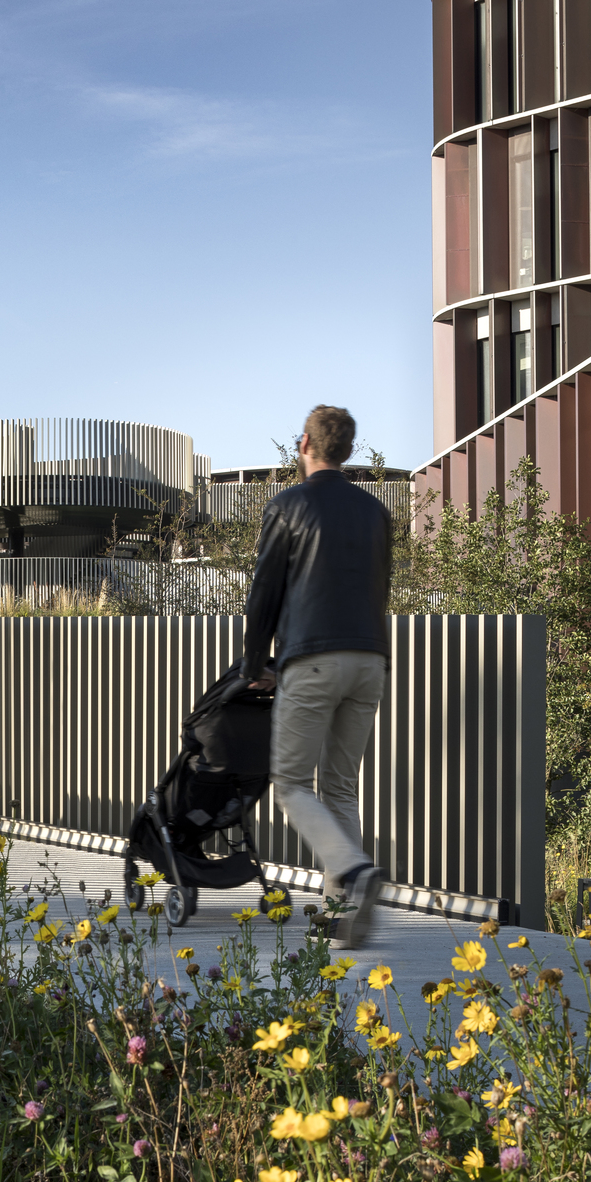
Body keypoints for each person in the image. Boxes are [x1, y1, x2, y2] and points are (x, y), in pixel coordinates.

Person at [241, 405, 392, 945]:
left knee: (290, 785)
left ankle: (355, 872)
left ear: (304, 442)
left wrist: (254, 662)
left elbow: (265, 593)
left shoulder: (288, 505)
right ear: (346, 450)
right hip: (371, 660)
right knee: (340, 788)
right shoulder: (376, 512)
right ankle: (341, 914)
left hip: (313, 660)